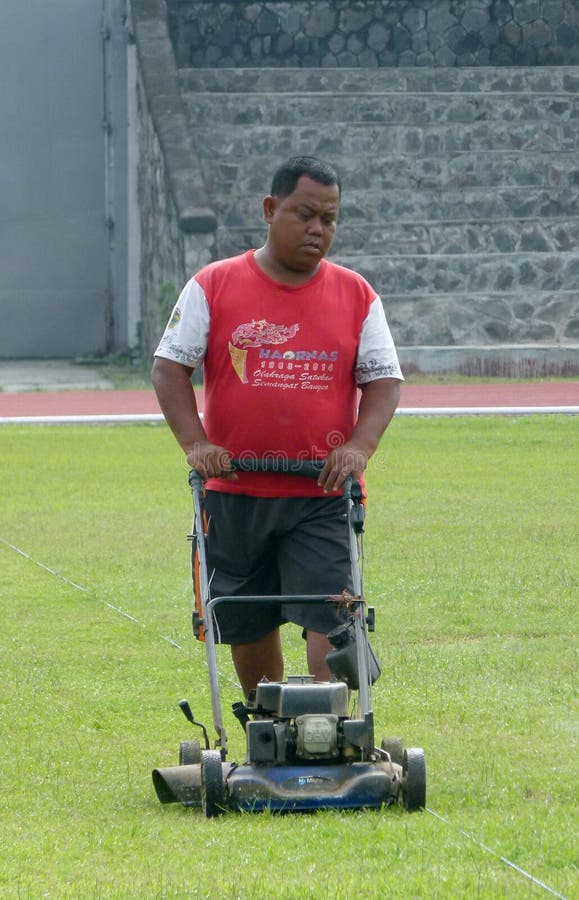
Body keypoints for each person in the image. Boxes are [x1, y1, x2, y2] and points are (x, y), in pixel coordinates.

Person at [152, 156, 403, 697]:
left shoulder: (357, 295)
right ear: (270, 210)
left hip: (322, 491)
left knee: (333, 618)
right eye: (305, 214)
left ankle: (328, 732)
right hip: (236, 489)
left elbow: (384, 382)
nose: (318, 229)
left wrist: (360, 446)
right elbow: (169, 368)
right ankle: (268, 728)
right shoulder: (213, 285)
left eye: (330, 219)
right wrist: (196, 443)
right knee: (248, 617)